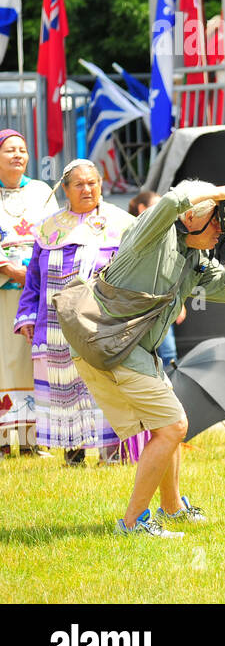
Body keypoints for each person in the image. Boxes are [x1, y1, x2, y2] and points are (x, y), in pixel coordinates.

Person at [68, 180, 225, 536]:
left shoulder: (196, 256)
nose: (222, 227)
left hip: (134, 348)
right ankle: (132, 523)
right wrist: (219, 191)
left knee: (168, 426)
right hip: (110, 342)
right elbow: (173, 199)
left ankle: (172, 509)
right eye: (219, 220)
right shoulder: (152, 233)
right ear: (191, 217)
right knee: (174, 426)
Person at [16, 161, 134, 466]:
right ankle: (73, 451)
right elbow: (33, 278)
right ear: (65, 189)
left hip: (102, 322)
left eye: (93, 183)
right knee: (64, 384)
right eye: (79, 184)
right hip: (55, 326)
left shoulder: (121, 223)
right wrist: (28, 314)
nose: (88, 189)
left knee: (105, 384)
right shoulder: (50, 227)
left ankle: (112, 452)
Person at [0, 129, 53, 453]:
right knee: (4, 359)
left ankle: (35, 440)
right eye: (10, 150)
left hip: (35, 289)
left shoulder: (41, 191)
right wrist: (6, 268)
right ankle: (4, 440)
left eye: (22, 149)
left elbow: (55, 233)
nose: (18, 154)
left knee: (35, 359)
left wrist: (33, 272)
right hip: (3, 288)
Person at [128, 190, 187, 371]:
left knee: (169, 356)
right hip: (137, 306)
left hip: (162, 303)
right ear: (142, 208)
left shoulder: (167, 232)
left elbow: (168, 271)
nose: (165, 211)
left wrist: (179, 301)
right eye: (159, 206)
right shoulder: (132, 232)